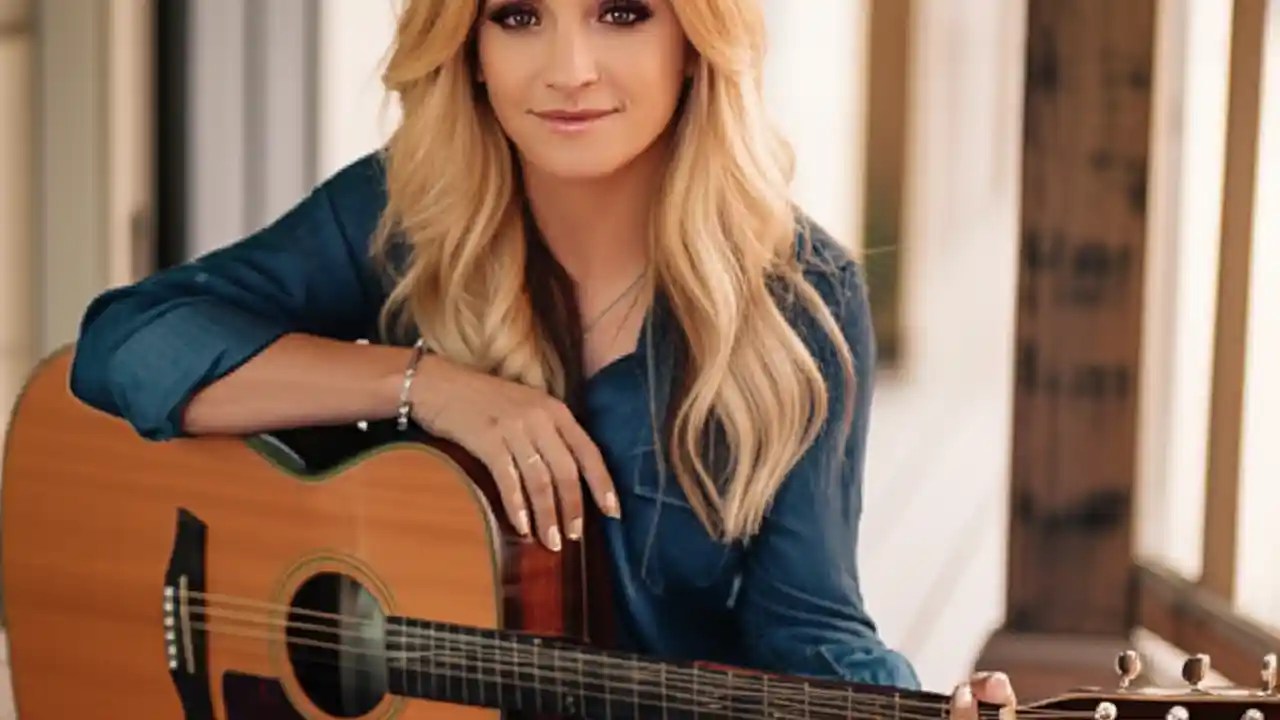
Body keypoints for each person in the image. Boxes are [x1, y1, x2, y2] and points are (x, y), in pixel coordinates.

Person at [69, 0, 1014, 715]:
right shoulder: (408, 217)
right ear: (469, 50)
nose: (569, 69)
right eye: (518, 15)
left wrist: (912, 706)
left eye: (620, 13)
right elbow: (127, 345)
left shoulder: (800, 298)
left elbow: (809, 626)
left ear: (693, 38)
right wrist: (429, 389)